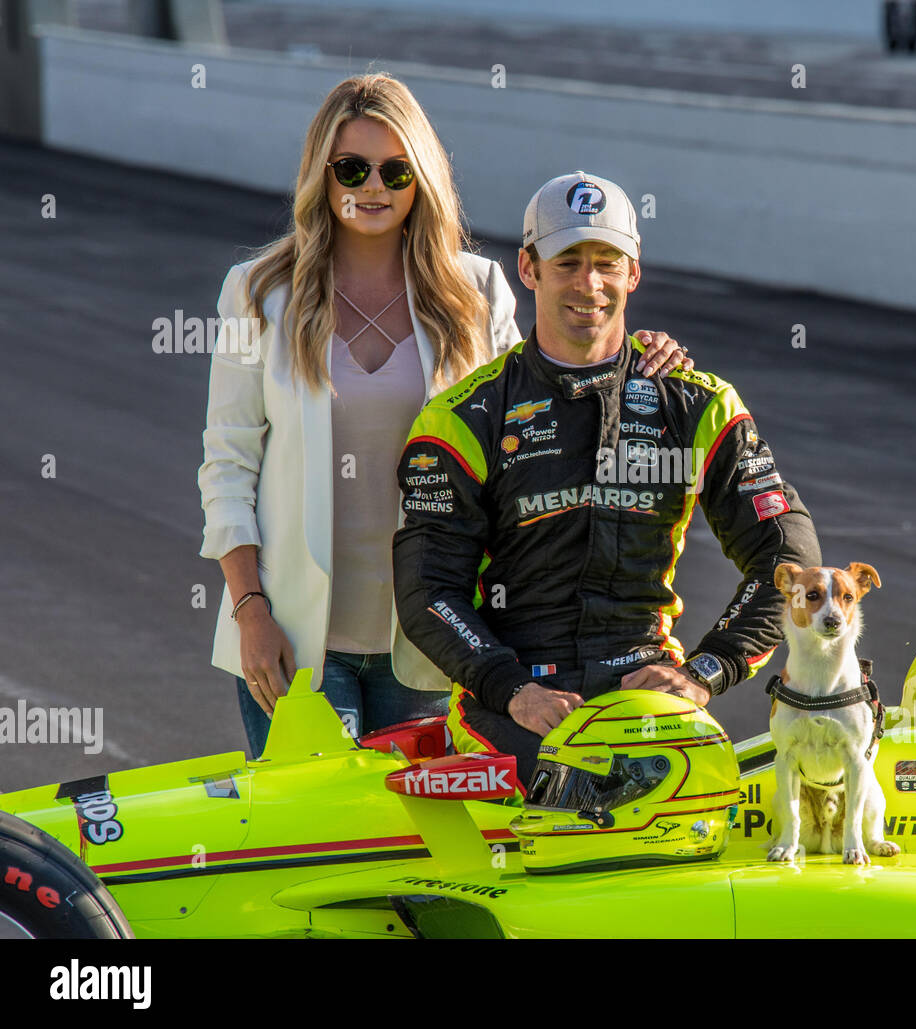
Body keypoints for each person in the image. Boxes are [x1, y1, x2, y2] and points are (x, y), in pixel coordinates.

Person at [198, 77, 689, 756]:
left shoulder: (477, 291)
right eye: (352, 168)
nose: (373, 186)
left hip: (435, 644)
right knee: (326, 848)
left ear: (420, 177)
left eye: (395, 170)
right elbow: (228, 462)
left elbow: (545, 411)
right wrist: (249, 609)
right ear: (322, 172)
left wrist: (636, 358)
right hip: (296, 643)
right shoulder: (257, 294)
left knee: (418, 847)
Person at [393, 171, 821, 782]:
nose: (588, 283)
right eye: (567, 261)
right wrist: (510, 688)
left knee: (691, 800)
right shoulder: (464, 418)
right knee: (558, 797)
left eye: (606, 262)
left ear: (634, 273)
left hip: (648, 688)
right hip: (515, 701)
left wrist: (708, 668)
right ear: (528, 268)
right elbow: (427, 590)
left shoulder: (697, 404)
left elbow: (789, 558)